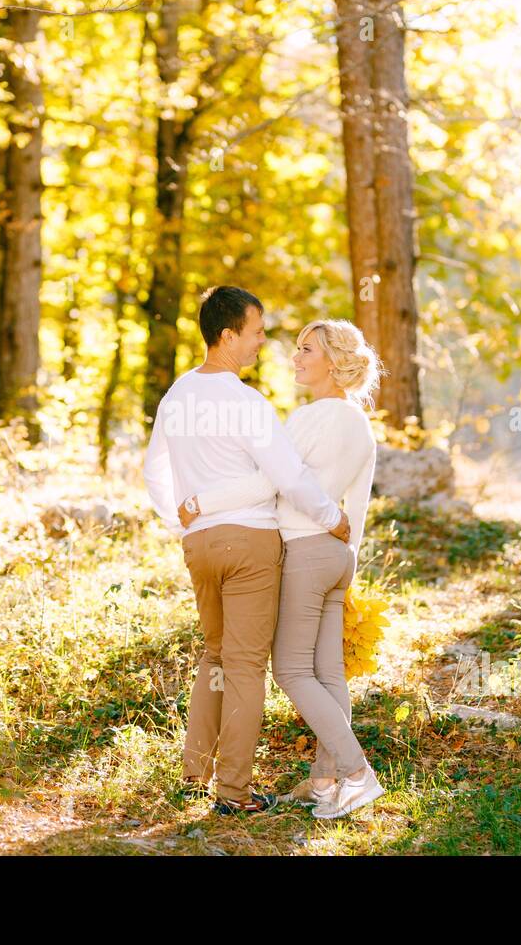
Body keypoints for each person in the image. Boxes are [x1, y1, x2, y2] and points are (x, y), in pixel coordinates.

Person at [143, 286, 350, 815]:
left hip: (201, 544)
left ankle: (195, 772)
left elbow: (154, 471)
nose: (263, 341)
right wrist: (333, 517)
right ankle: (233, 792)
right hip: (251, 545)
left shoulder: (177, 396)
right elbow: (287, 476)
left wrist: (182, 522)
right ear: (229, 333)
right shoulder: (246, 401)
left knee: (214, 657)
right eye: (257, 331)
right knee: (244, 667)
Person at [176, 318, 385, 819]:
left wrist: (202, 500)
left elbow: (271, 483)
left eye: (306, 350)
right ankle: (326, 781)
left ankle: (358, 773)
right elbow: (357, 505)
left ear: (333, 363)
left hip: (305, 551)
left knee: (291, 671)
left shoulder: (309, 419)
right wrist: (347, 556)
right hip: (338, 556)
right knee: (328, 675)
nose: (295, 357)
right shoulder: (361, 425)